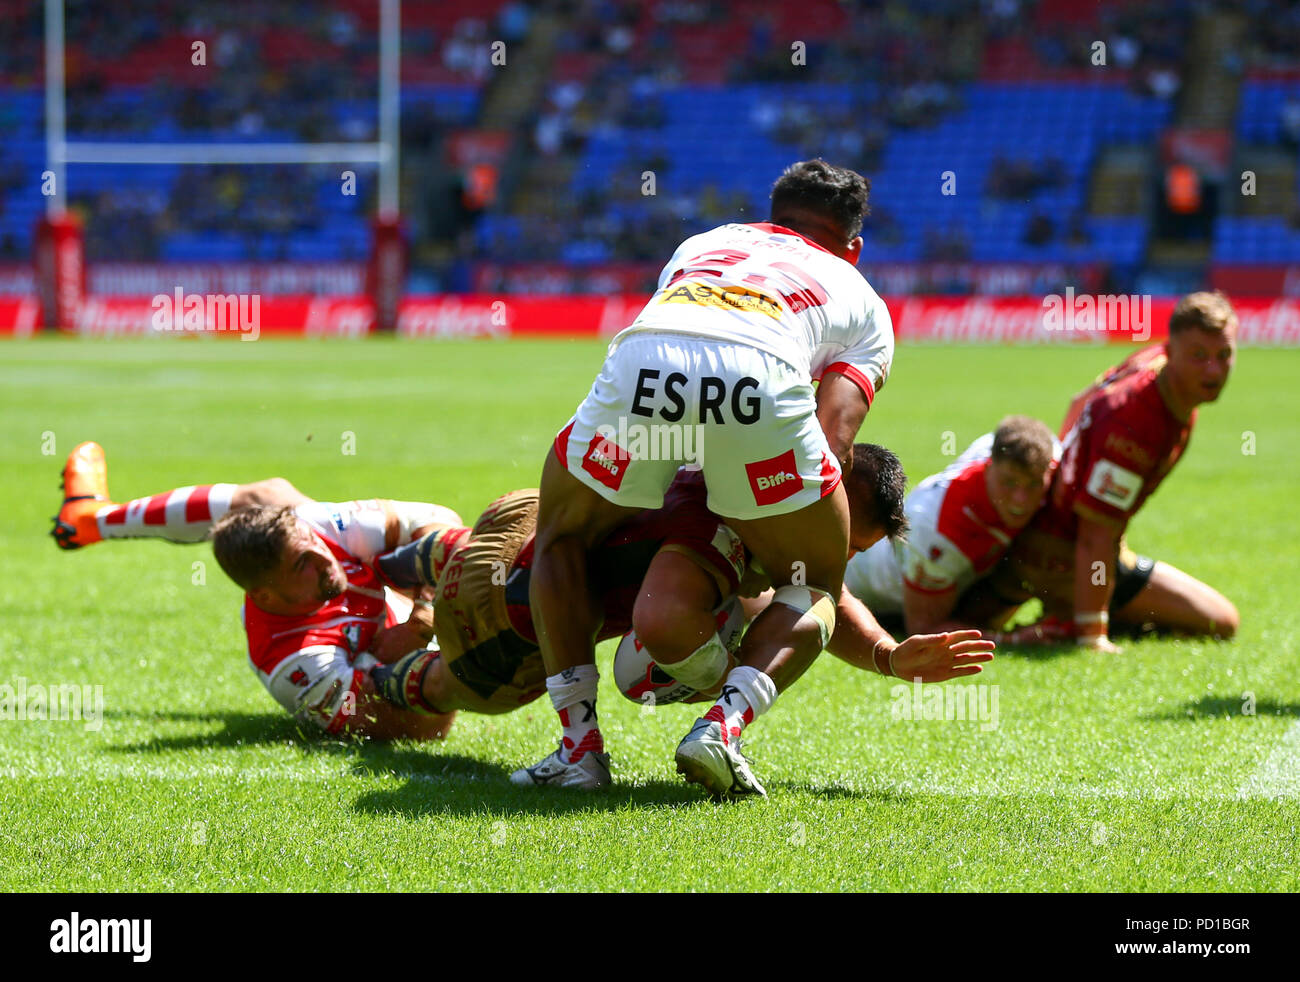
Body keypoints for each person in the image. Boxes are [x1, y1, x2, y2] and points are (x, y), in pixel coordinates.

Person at [523, 158, 896, 797]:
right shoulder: (861, 298)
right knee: (815, 584)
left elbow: (686, 347)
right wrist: (755, 514)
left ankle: (579, 748)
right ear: (853, 247)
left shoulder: (704, 242)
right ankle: (721, 722)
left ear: (773, 216)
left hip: (644, 364)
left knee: (559, 536)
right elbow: (833, 438)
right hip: (761, 379)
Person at [51, 440, 462, 740]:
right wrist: (428, 632)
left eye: (315, 546)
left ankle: (90, 520)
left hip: (412, 608)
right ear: (266, 595)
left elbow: (441, 520)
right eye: (304, 565)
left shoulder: (315, 528)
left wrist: (428, 588)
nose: (326, 560)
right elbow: (421, 726)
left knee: (268, 496)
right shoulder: (294, 660)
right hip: (403, 646)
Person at [967, 291, 1240, 649]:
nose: (1214, 370)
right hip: (1061, 548)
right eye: (1199, 357)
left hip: (1061, 535)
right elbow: (1095, 533)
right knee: (1220, 622)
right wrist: (1093, 635)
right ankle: (1068, 620)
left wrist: (1069, 466)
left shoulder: (1156, 364)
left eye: (1224, 356)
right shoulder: (1136, 422)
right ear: (1171, 352)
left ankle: (1069, 612)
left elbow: (1079, 400)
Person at [844, 416, 1059, 636]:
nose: (1020, 500)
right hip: (874, 595)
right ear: (989, 466)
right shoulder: (936, 529)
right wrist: (1012, 640)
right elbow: (925, 630)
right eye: (1009, 483)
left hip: (959, 575)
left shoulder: (1041, 450)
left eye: (1034, 484)